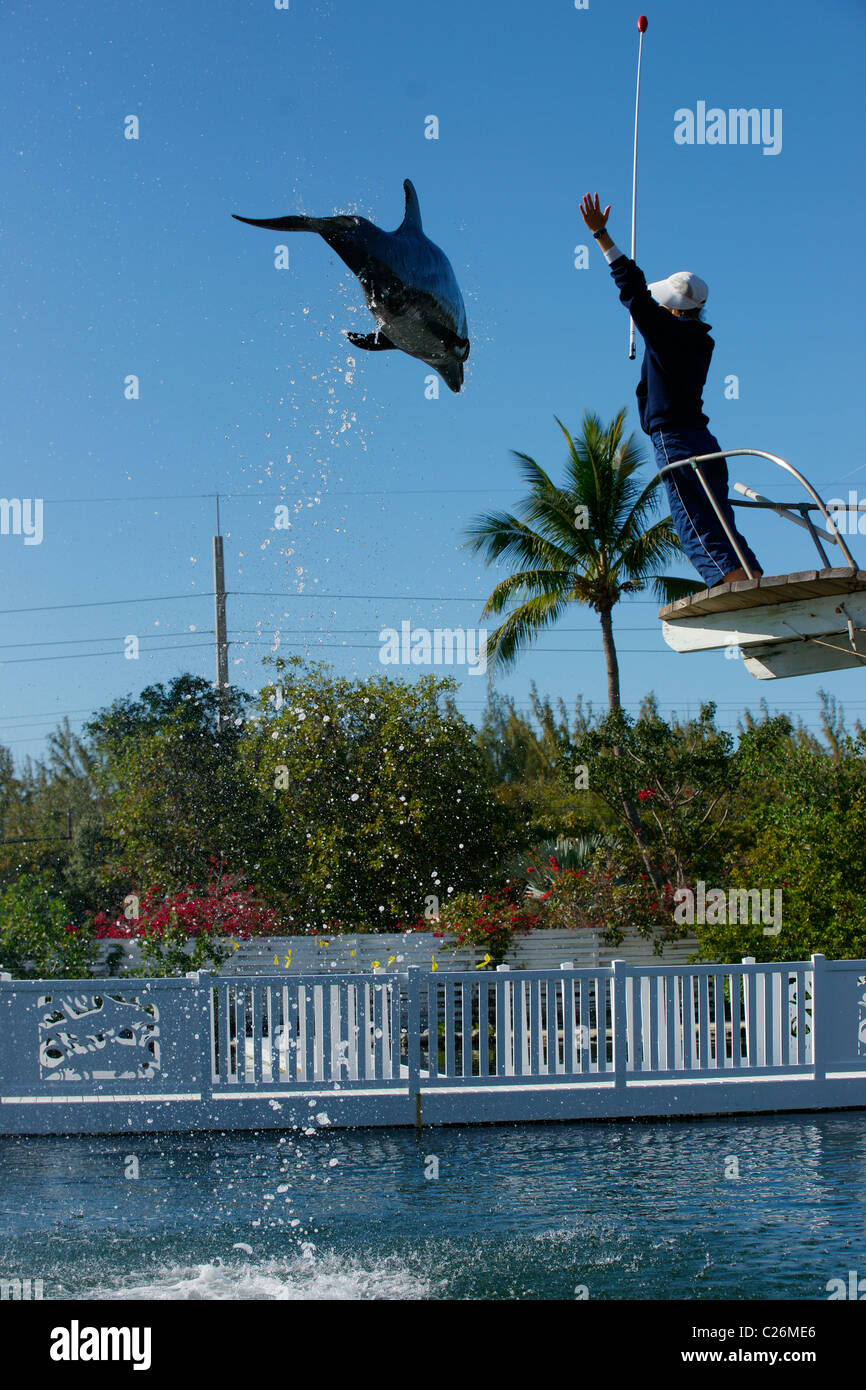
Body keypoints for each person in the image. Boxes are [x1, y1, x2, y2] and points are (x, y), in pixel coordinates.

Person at [579, 192, 762, 589]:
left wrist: (601, 236)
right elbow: (643, 303)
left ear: (674, 309)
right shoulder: (701, 339)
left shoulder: (666, 333)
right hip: (705, 439)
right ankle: (751, 575)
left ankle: (735, 587)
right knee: (718, 516)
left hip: (676, 440)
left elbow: (633, 292)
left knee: (693, 524)